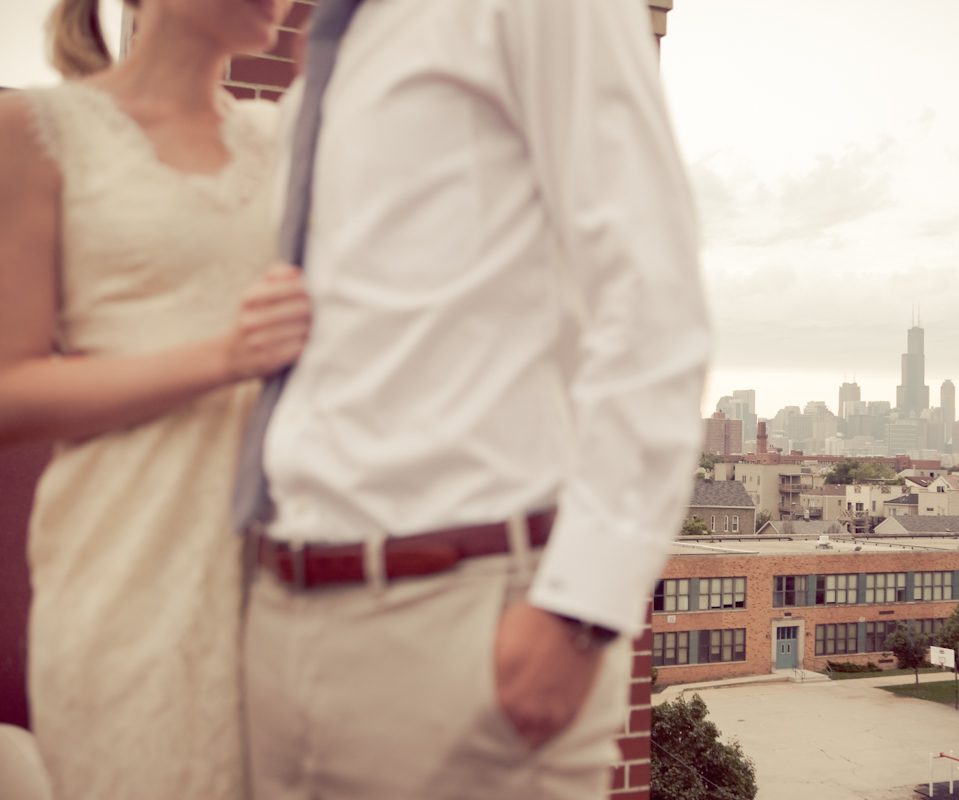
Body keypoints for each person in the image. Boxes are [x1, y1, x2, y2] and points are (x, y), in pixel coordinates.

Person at [238, 1, 709, 798]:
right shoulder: (338, 51)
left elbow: (650, 294)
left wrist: (580, 611)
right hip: (282, 618)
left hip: (459, 628)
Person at [0, 0, 311, 797]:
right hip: (122, 560)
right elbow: (9, 390)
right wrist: (224, 356)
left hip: (285, 576)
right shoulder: (36, 129)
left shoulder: (284, 140)